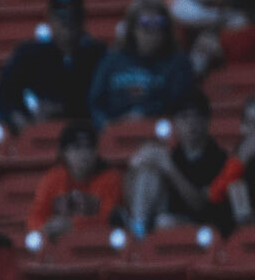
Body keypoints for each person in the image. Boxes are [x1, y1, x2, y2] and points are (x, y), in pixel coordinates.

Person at [0, 0, 106, 130]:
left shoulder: (98, 54)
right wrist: (25, 122)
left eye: (73, 16)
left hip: (88, 132)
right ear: (50, 19)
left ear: (82, 20)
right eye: (61, 17)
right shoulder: (30, 55)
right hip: (40, 133)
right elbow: (3, 95)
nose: (67, 23)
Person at [125, 89, 230, 238]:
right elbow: (131, 199)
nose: (191, 123)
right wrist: (134, 167)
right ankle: (138, 231)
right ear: (175, 123)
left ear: (207, 121)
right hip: (164, 222)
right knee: (149, 169)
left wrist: (170, 168)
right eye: (184, 117)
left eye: (197, 116)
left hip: (206, 229)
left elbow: (201, 206)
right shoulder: (171, 155)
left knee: (164, 222)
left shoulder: (220, 159)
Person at [87, 0, 198, 130]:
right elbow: (95, 102)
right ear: (133, 29)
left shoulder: (178, 63)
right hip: (114, 131)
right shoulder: (112, 60)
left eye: (159, 23)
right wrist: (106, 126)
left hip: (160, 130)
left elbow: (179, 102)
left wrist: (144, 114)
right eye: (145, 24)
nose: (153, 31)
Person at [26, 120, 124, 240]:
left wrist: (72, 225)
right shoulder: (53, 178)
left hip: (97, 242)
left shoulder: (110, 178)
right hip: (58, 244)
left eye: (89, 147)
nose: (84, 153)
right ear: (64, 152)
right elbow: (36, 215)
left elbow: (110, 218)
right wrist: (45, 227)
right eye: (77, 147)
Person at [208, 95, 255, 227]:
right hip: (241, 228)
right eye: (253, 124)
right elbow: (215, 196)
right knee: (236, 188)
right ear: (243, 127)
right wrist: (241, 160)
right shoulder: (235, 157)